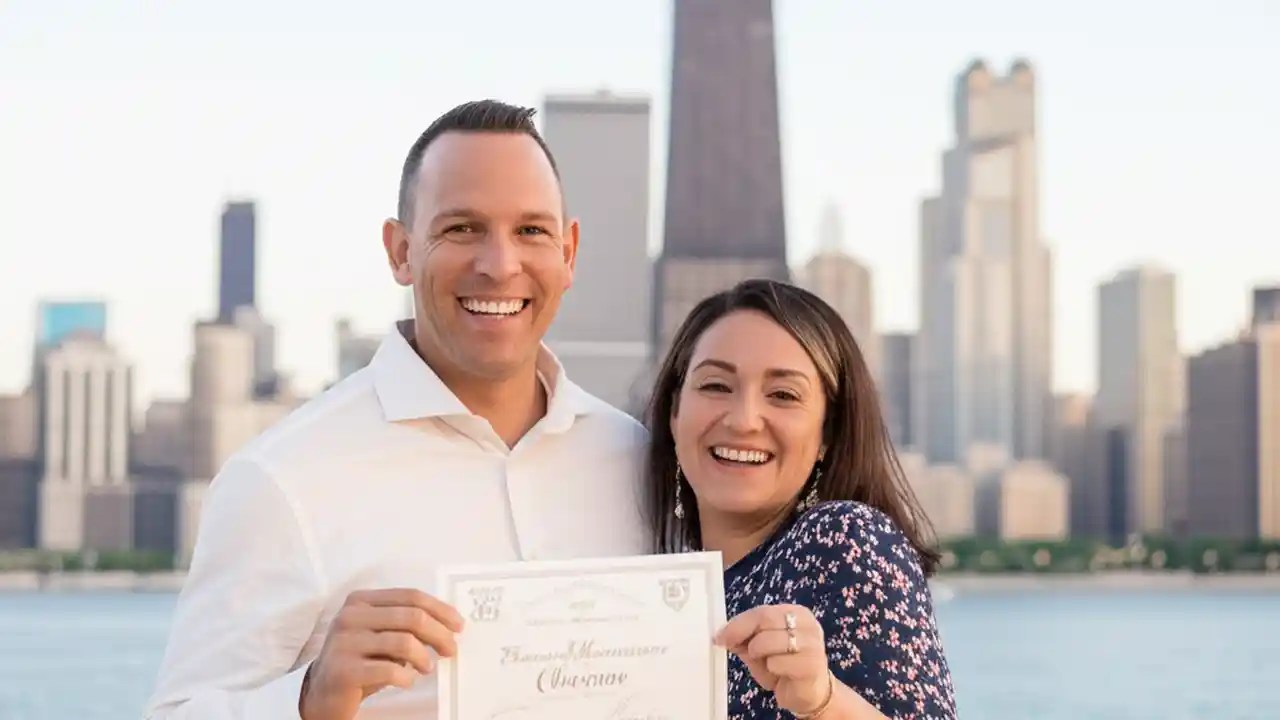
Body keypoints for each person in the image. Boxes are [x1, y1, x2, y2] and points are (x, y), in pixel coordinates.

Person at [144, 100, 650, 720]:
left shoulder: (638, 460)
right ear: (400, 251)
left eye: (531, 231)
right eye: (462, 229)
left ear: (568, 253)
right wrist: (308, 699)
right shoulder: (281, 480)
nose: (499, 265)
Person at [644, 279, 958, 719]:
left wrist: (821, 700)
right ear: (675, 412)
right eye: (716, 386)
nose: (744, 420)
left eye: (783, 395)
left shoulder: (846, 543)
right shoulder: (652, 585)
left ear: (827, 432)